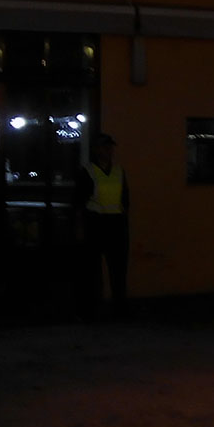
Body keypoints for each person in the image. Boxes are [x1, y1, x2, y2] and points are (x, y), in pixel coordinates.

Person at [74, 133, 130, 320]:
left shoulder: (119, 171)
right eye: (105, 147)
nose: (109, 151)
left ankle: (119, 309)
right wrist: (81, 227)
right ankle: (93, 309)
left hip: (115, 224)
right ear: (96, 150)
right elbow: (79, 202)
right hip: (96, 223)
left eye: (110, 147)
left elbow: (125, 200)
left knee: (118, 269)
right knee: (93, 271)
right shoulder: (88, 172)